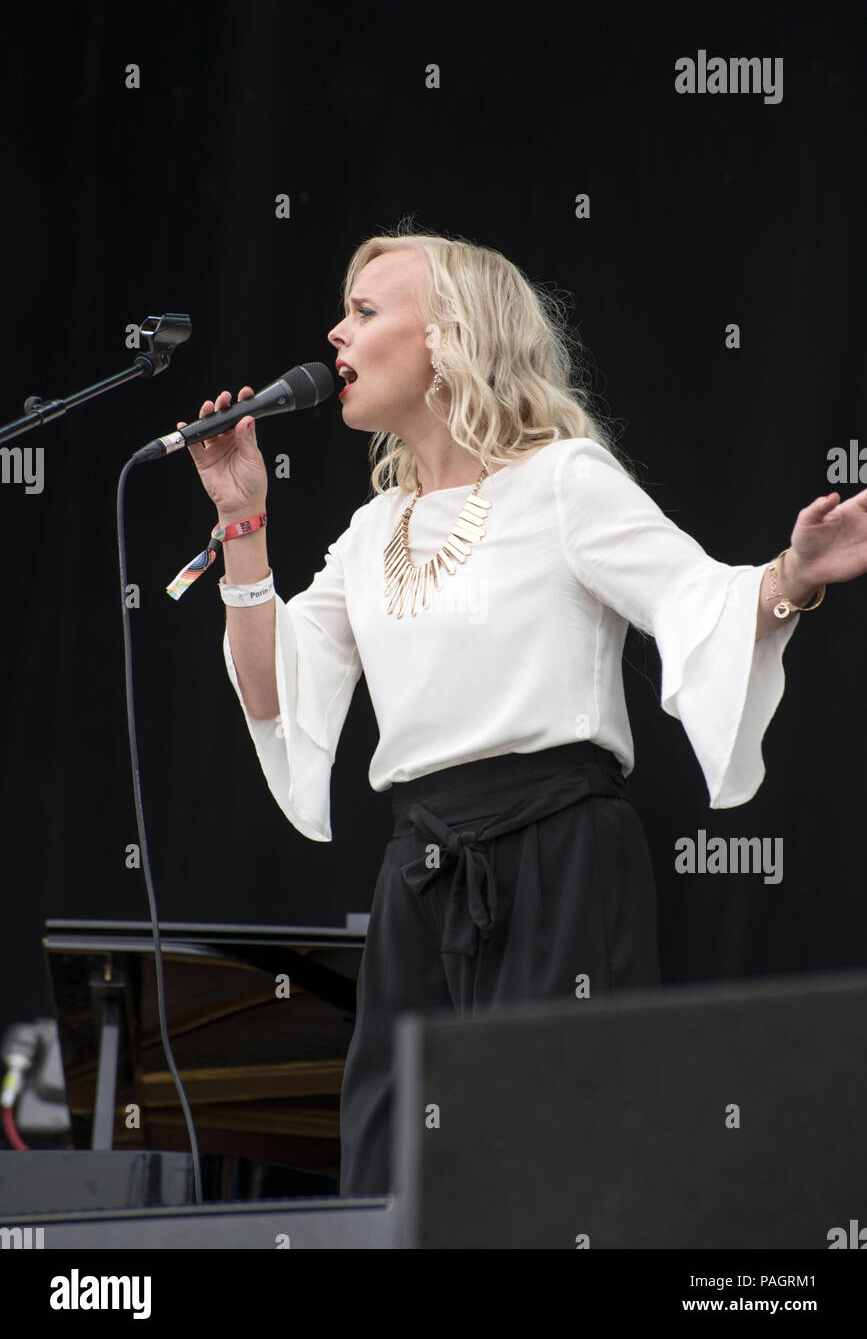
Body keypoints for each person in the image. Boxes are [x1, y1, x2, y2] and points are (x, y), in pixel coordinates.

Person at [177, 226, 867, 1198]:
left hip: (555, 856)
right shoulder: (375, 529)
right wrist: (241, 523)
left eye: (367, 310)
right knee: (396, 1160)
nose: (336, 332)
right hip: (420, 871)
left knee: (558, 1164)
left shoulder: (563, 482)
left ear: (451, 334)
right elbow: (271, 692)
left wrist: (795, 575)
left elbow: (700, 599)